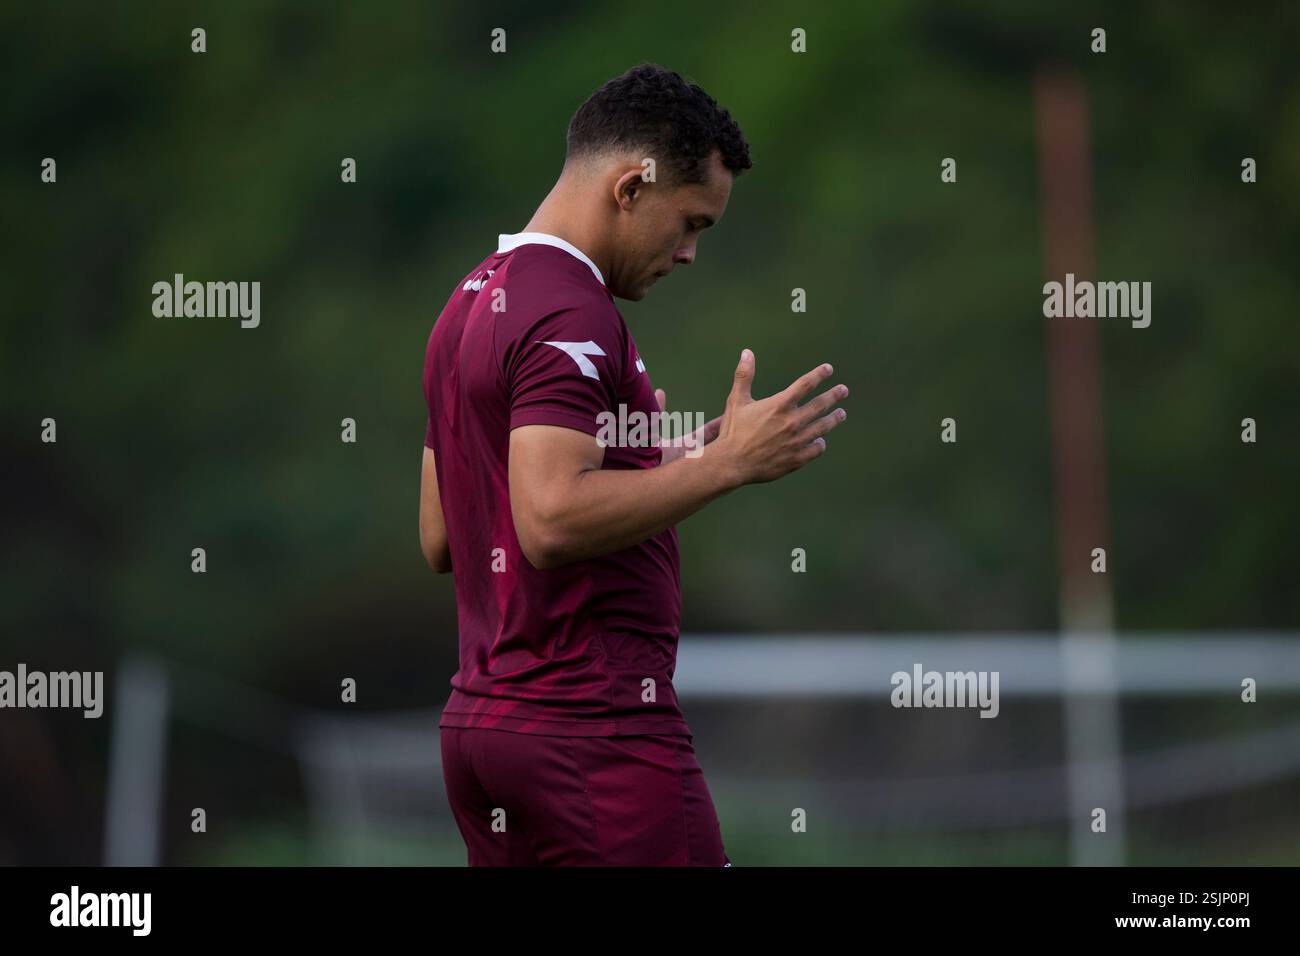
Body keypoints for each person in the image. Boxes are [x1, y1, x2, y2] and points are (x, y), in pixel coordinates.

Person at [420, 63, 848, 865]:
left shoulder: (472, 299)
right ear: (629, 188)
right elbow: (546, 519)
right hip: (592, 730)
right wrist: (726, 471)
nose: (689, 254)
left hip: (484, 729)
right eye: (690, 223)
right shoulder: (566, 306)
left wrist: (690, 452)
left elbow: (445, 532)